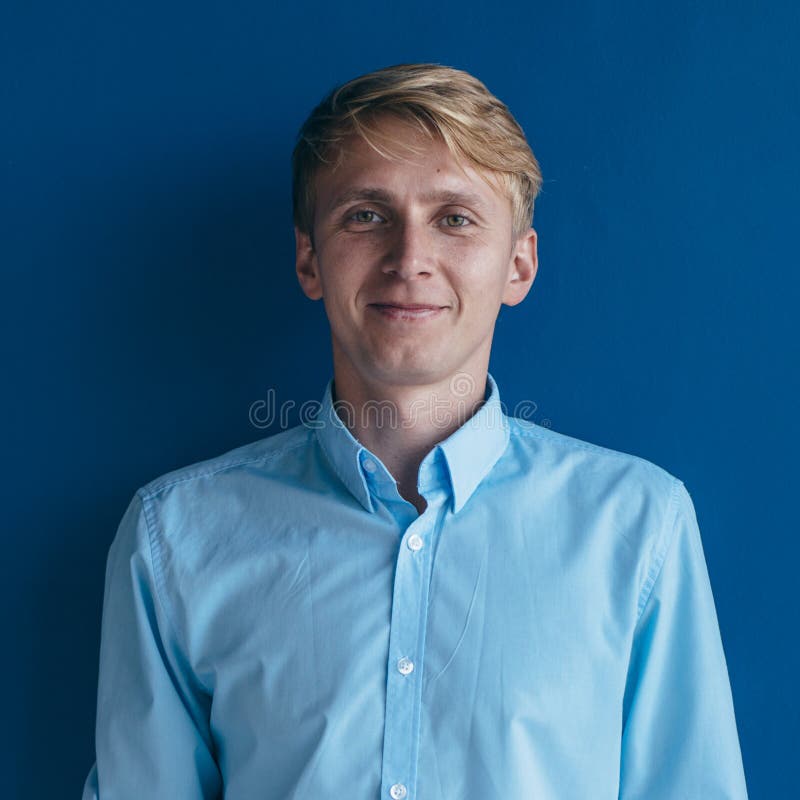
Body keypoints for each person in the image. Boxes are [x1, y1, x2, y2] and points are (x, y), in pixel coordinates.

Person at [82, 63, 748, 799]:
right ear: (309, 257)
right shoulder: (174, 539)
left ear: (518, 264)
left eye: (455, 218)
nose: (410, 261)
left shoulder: (637, 528)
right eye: (366, 215)